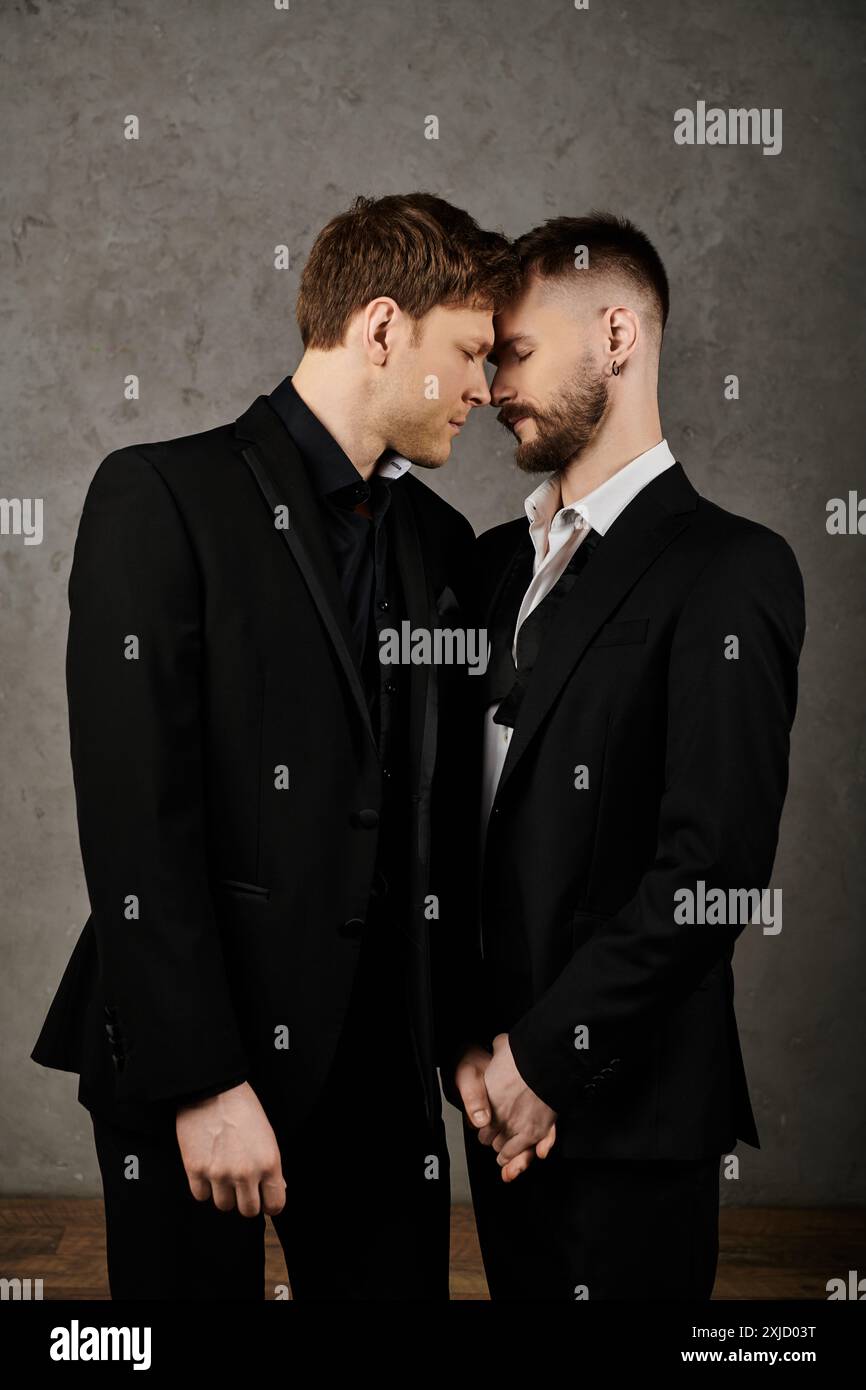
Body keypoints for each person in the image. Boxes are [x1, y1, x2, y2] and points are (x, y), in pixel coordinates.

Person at [31, 192, 519, 1300]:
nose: (485, 391)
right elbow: (133, 813)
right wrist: (203, 1079)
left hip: (380, 1086)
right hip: (189, 1056)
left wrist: (461, 1037)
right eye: (470, 353)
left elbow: (429, 830)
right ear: (384, 327)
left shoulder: (442, 544)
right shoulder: (160, 496)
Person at [461, 211, 806, 1300]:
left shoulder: (730, 570)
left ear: (617, 333)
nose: (491, 385)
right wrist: (474, 1056)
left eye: (513, 353)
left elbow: (709, 873)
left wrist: (541, 1062)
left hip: (630, 1120)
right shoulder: (476, 571)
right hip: (490, 1111)